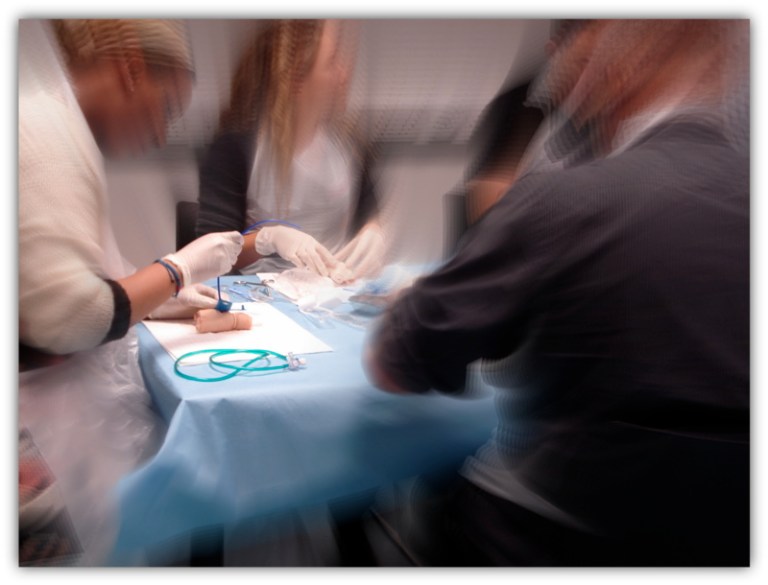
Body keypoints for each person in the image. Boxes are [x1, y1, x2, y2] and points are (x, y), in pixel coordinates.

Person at [365, 19, 748, 566]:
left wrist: (416, 302)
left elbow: (396, 365)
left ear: (624, 68)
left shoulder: (569, 200)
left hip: (551, 536)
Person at [18, 19, 243, 565]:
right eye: (166, 108)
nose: (162, 134)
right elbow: (71, 319)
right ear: (131, 70)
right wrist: (176, 270)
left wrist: (161, 297)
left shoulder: (57, 125)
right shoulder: (44, 136)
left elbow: (76, 281)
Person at [196, 19, 385, 281]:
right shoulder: (235, 150)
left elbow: (368, 217)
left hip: (333, 292)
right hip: (260, 295)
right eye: (331, 63)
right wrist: (267, 239)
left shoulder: (351, 148)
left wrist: (373, 233)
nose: (343, 75)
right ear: (297, 78)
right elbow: (207, 255)